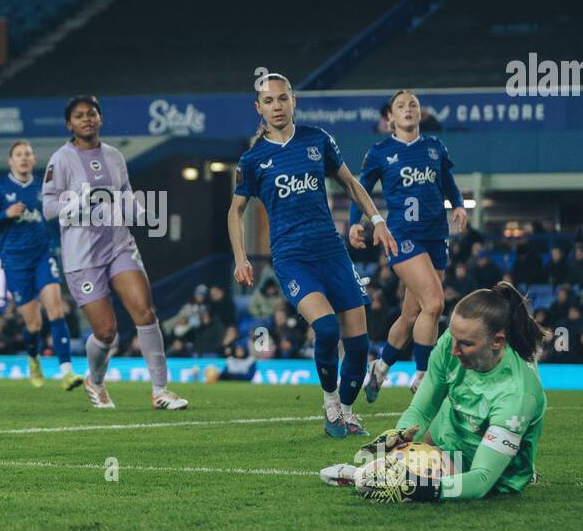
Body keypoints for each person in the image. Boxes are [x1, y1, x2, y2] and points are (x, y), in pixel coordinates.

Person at [228, 71, 397, 438]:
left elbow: (351, 183)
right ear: (259, 108)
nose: (277, 106)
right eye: (269, 100)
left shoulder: (318, 140)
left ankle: (348, 413)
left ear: (293, 101)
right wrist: (241, 257)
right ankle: (330, 403)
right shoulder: (253, 160)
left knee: (358, 346)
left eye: (283, 98)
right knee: (325, 327)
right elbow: (235, 211)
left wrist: (378, 220)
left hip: (333, 254)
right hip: (292, 259)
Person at [324, 282, 549, 502]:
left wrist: (428, 489)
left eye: (466, 344)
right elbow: (421, 410)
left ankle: (363, 474)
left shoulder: (518, 393)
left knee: (409, 478)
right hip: (447, 442)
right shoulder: (450, 344)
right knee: (399, 465)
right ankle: (370, 473)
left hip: (495, 473)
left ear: (497, 342)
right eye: (452, 337)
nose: (453, 350)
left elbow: (481, 480)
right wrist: (399, 434)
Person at [41, 94, 188, 410]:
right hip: (82, 257)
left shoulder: (115, 156)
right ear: (69, 124)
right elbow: (48, 208)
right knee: (106, 333)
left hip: (120, 245)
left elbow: (125, 196)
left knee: (146, 313)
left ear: (100, 119)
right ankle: (94, 381)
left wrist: (140, 212)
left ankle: (161, 390)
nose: (86, 119)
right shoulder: (60, 160)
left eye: (91, 114)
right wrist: (79, 202)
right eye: (79, 115)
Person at [351, 90, 467, 400]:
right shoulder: (380, 151)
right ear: (390, 116)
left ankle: (381, 366)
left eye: (413, 105)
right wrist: (354, 222)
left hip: (435, 236)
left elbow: (448, 182)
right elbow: (360, 190)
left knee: (412, 315)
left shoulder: (434, 147)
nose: (408, 109)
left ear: (420, 114)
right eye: (401, 106)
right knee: (435, 304)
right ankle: (422, 375)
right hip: (401, 237)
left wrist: (458, 204)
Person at [0, 140, 82, 391]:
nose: (24, 158)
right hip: (15, 260)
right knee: (33, 324)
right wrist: (6, 214)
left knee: (56, 310)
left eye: (28, 154)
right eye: (18, 154)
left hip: (42, 255)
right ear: (10, 161)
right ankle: (34, 358)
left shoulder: (44, 187)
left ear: (34, 160)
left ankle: (66, 371)